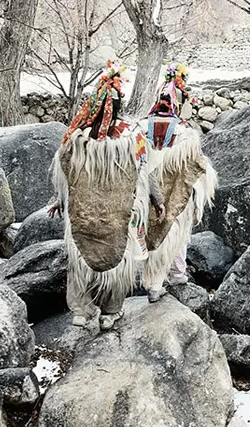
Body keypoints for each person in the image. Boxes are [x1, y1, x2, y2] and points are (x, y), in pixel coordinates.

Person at [51, 61, 165, 330]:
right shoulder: (131, 136)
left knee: (80, 256)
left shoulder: (77, 139)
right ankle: (110, 312)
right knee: (118, 262)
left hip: (84, 214)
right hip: (122, 214)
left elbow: (67, 176)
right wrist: (156, 199)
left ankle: (81, 310)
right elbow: (146, 171)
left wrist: (58, 200)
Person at [138, 63, 217, 300]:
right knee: (177, 231)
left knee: (149, 233)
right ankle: (173, 275)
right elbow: (196, 165)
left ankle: (152, 279)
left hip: (147, 190)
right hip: (175, 191)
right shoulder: (185, 133)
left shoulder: (141, 127)